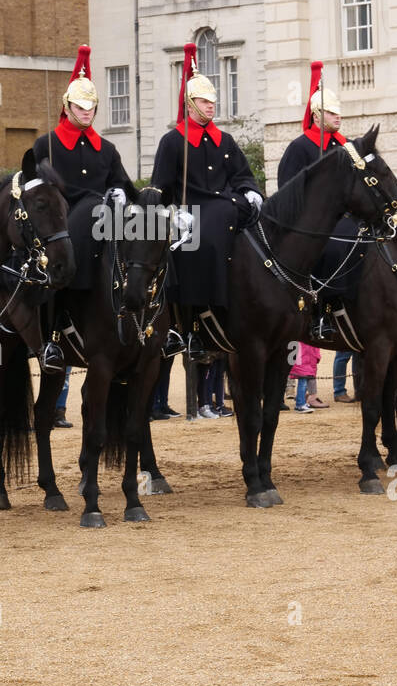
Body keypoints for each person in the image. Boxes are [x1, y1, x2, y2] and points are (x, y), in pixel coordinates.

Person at [150, 41, 261, 360]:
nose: (211, 105)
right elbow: (160, 188)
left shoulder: (224, 140)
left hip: (227, 206)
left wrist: (251, 190)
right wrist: (172, 213)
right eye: (203, 100)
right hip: (189, 214)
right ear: (190, 103)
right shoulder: (173, 142)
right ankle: (192, 325)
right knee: (206, 236)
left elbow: (241, 174)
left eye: (212, 100)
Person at [31, 45, 135, 372]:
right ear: (67, 106)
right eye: (80, 105)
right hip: (60, 220)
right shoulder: (46, 144)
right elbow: (36, 191)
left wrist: (120, 193)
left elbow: (123, 184)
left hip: (104, 218)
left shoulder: (107, 149)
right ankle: (51, 337)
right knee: (59, 257)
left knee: (148, 238)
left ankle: (154, 321)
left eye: (91, 106)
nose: (86, 111)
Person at [277, 62, 359, 344]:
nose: (338, 117)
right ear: (316, 114)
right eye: (332, 113)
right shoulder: (300, 147)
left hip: (345, 216)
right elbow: (287, 187)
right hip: (311, 221)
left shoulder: (345, 147)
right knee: (333, 245)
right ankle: (323, 310)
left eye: (339, 112)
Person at [290, 342, 321, 413]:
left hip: (305, 362)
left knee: (304, 382)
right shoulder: (304, 340)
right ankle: (300, 404)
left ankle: (301, 401)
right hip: (304, 362)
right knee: (303, 383)